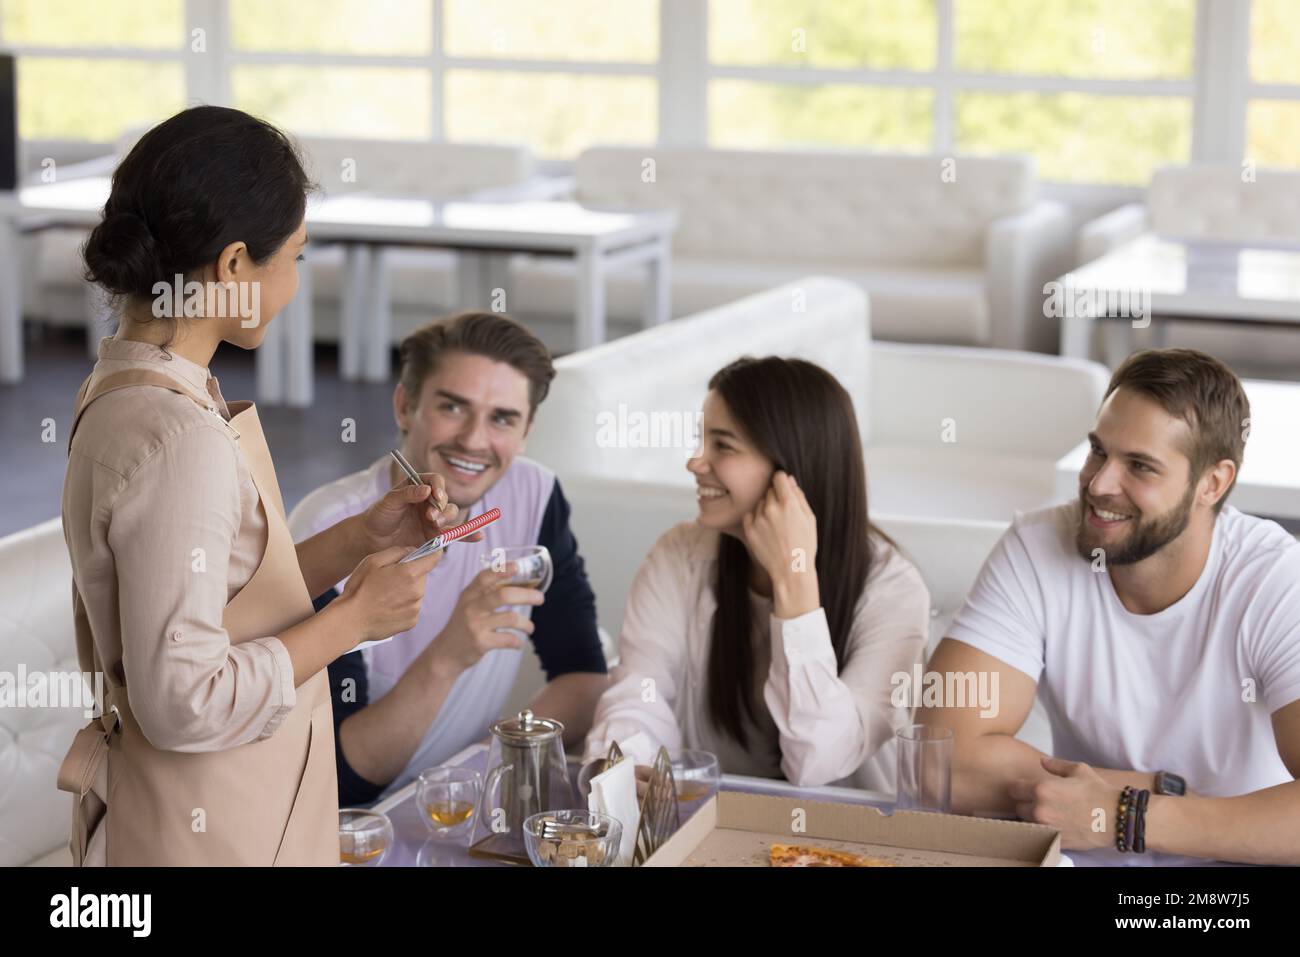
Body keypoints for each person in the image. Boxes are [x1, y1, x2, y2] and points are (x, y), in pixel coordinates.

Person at [59, 106, 460, 865]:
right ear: (235, 265)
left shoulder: (121, 392)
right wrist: (352, 621)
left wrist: (360, 540)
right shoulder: (179, 438)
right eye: (296, 258)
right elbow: (184, 697)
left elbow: (206, 600)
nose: (295, 285)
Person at [922, 348, 1300, 865]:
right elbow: (940, 760)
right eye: (1098, 450)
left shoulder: (1276, 580)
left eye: (1139, 466)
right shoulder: (1036, 547)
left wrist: (1127, 814)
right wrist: (1157, 790)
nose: (1099, 484)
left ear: (1212, 484)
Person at [289, 311, 609, 805]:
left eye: (503, 418)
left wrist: (487, 770)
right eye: (453, 408)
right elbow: (337, 776)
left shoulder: (535, 493)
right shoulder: (328, 530)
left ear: (525, 433)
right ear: (404, 405)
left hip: (465, 808)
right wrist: (450, 655)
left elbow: (583, 677)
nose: (474, 440)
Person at [583, 356, 930, 790]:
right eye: (701, 440)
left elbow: (819, 762)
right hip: (708, 823)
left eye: (722, 446)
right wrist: (622, 766)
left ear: (792, 470)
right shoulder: (678, 556)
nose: (695, 462)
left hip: (847, 838)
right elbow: (640, 694)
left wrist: (794, 582)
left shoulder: (893, 590)